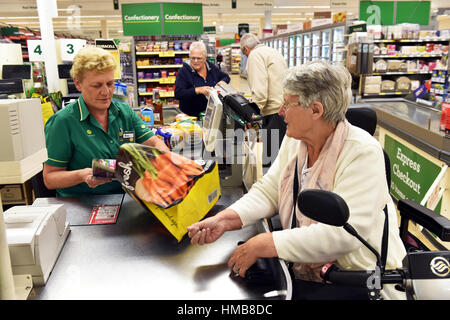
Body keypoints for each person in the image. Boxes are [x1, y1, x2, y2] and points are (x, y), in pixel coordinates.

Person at [188, 61, 407, 300]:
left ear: (315, 110)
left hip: (354, 278)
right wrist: (226, 219)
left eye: (287, 104)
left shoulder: (363, 153)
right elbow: (271, 189)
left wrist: (264, 243)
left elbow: (343, 235)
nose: (280, 112)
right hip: (306, 268)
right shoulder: (297, 139)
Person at [43, 46, 169, 197]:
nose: (105, 92)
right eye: (96, 85)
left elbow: (154, 143)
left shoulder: (125, 112)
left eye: (110, 84)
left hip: (128, 197)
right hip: (82, 204)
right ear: (78, 83)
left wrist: (162, 155)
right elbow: (50, 179)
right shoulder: (63, 122)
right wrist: (82, 175)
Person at [240, 33, 287, 166]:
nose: (245, 57)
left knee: (270, 160)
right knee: (281, 157)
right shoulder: (273, 52)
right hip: (284, 109)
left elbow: (260, 91)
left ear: (245, 49)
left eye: (244, 54)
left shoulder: (255, 55)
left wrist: (251, 114)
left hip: (273, 113)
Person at [175, 41, 230, 118]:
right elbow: (178, 93)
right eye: (193, 58)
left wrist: (222, 82)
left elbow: (226, 77)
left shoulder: (210, 67)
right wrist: (197, 90)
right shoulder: (183, 72)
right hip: (190, 117)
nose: (195, 61)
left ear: (205, 58)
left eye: (199, 58)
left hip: (210, 115)